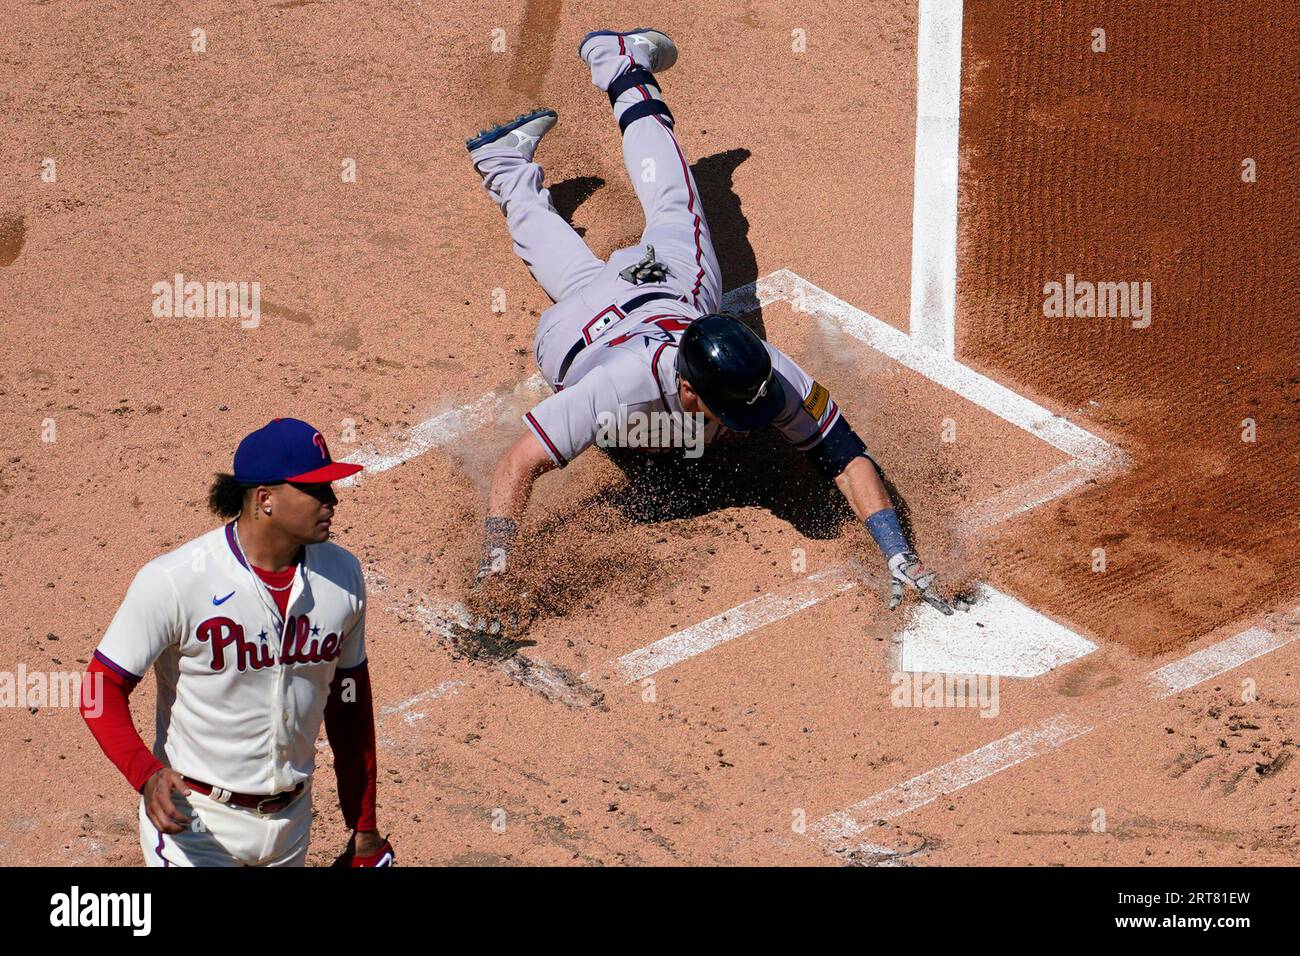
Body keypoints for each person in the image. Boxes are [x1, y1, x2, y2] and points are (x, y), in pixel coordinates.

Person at [466, 28, 958, 616]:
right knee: (675, 206)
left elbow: (846, 455)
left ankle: (504, 164)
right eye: (731, 409)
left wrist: (898, 552)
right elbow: (520, 461)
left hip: (577, 329)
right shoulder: (617, 391)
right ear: (689, 386)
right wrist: (497, 563)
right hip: (622, 312)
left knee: (582, 280)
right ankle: (619, 63)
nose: (749, 422)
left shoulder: (769, 372)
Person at [80, 418, 394, 866]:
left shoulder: (342, 576)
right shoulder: (175, 581)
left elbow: (350, 706)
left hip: (290, 828)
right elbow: (98, 689)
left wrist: (363, 827)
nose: (332, 501)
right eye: (316, 490)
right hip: (194, 825)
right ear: (264, 498)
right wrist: (146, 775)